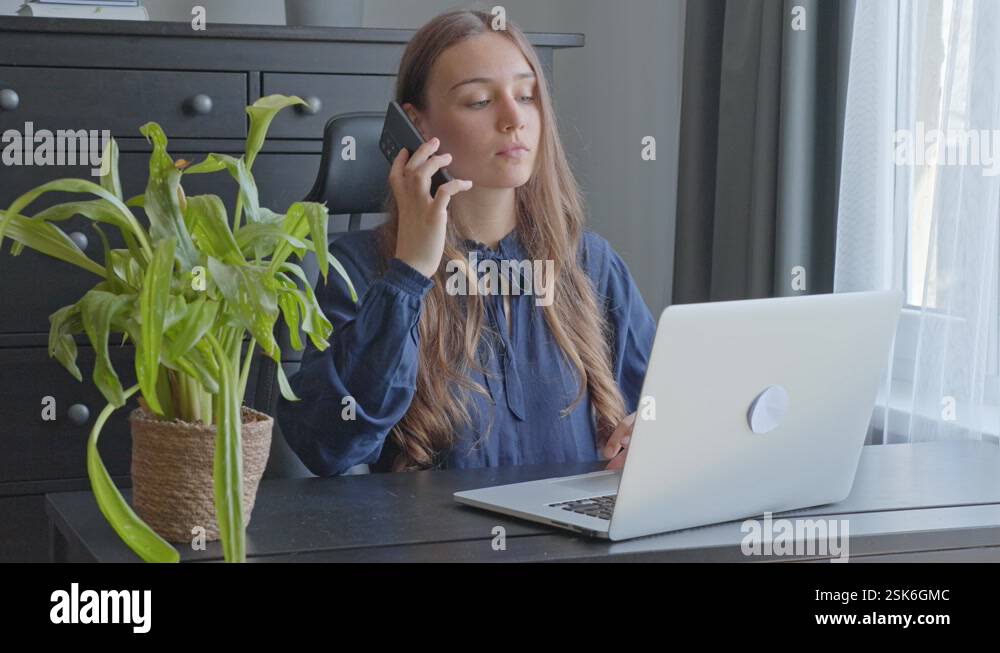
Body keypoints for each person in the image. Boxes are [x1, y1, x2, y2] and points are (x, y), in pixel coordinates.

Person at [277, 8, 656, 476]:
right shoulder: (357, 267)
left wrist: (648, 433)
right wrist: (409, 273)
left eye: (527, 95)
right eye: (479, 101)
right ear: (417, 125)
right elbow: (326, 445)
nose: (513, 118)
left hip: (570, 544)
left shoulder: (593, 265)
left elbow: (663, 409)